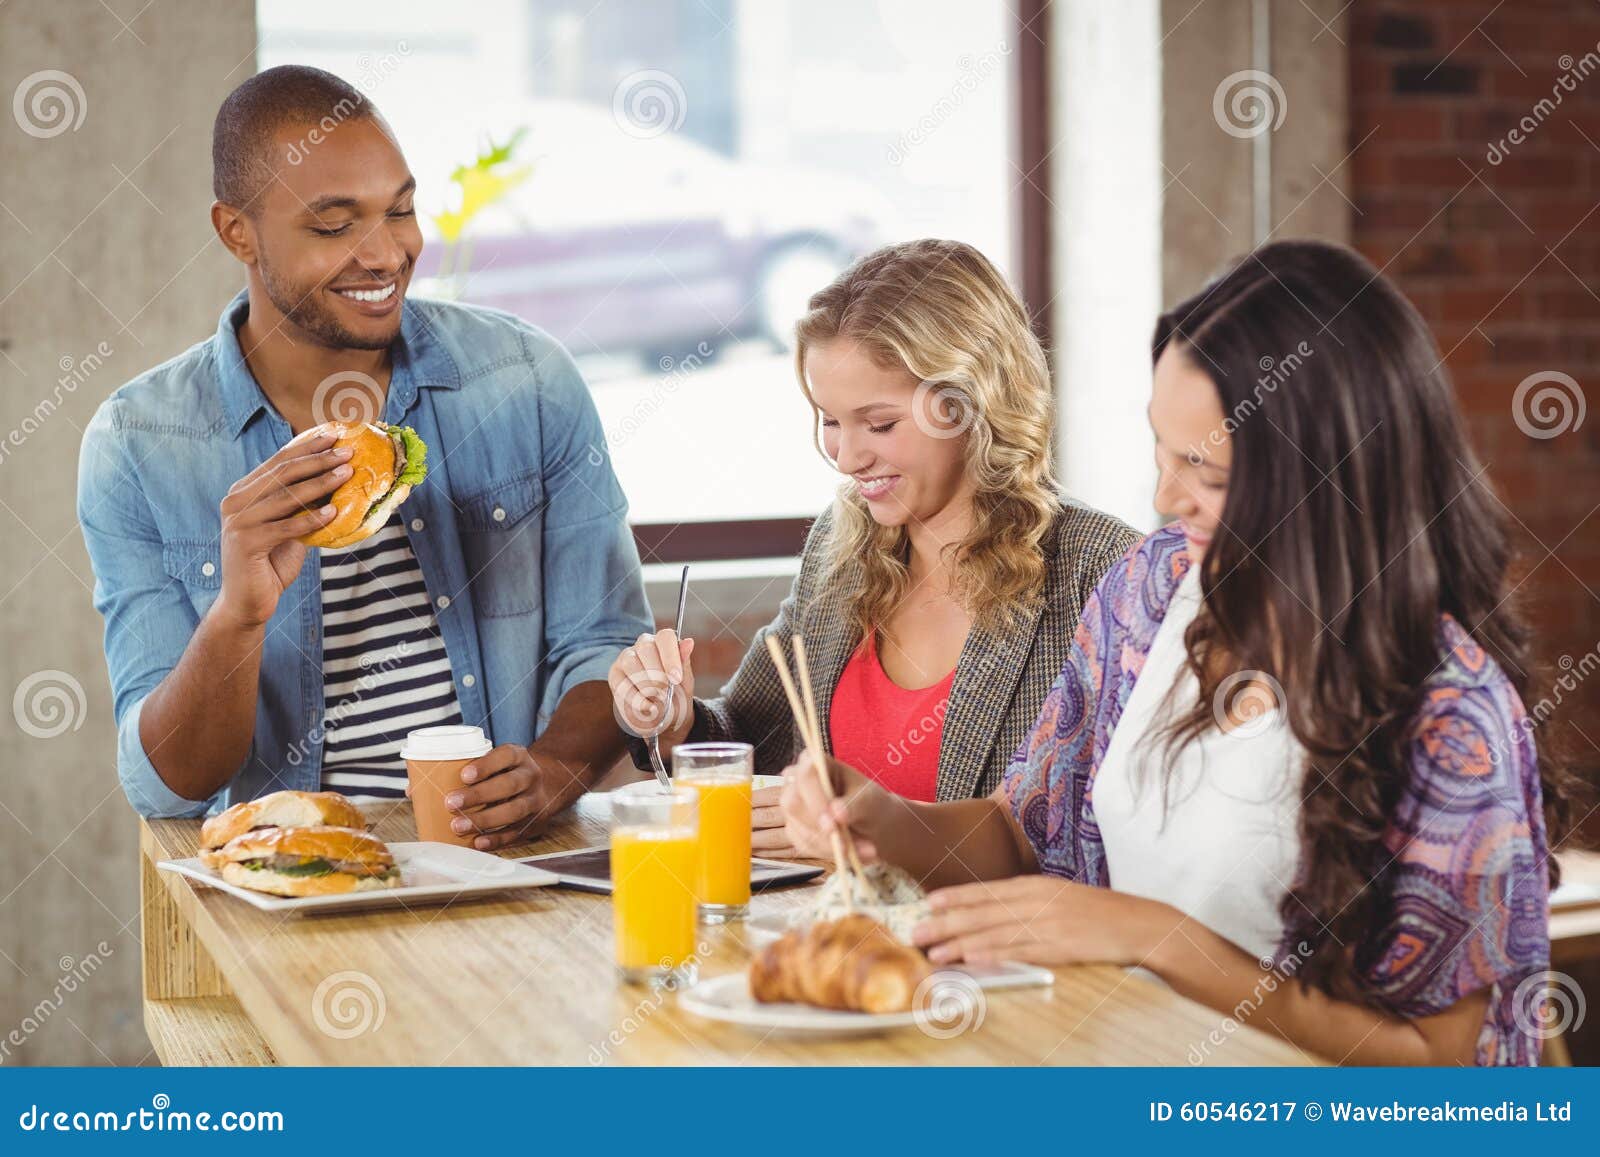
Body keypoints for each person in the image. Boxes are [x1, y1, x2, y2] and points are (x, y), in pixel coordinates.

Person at [780, 239, 1578, 1065]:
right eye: (1162, 449)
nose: (1164, 497)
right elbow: (1025, 830)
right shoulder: (1152, 587)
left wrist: (1156, 938)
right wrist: (885, 819)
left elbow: (1444, 1065)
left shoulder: (1448, 710)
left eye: (1206, 469)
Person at [78, 66, 651, 847]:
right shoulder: (138, 445)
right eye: (334, 225)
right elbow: (171, 786)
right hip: (295, 881)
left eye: (402, 210)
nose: (386, 253)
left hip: (506, 867)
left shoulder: (526, 378)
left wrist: (553, 770)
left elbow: (604, 641)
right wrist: (238, 615)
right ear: (236, 231)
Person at [609, 239, 1137, 856]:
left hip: (1001, 948)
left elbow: (1097, 841)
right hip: (828, 939)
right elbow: (751, 731)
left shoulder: (1101, 570)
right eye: (830, 420)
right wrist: (675, 724)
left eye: (879, 424)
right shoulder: (840, 549)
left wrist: (878, 833)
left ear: (972, 401)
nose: (847, 456)